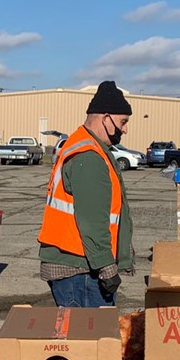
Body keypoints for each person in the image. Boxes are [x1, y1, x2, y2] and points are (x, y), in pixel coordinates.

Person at [38, 80, 133, 308]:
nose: (126, 129)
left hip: (79, 266)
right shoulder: (89, 157)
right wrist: (107, 269)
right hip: (81, 271)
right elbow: (92, 221)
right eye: (123, 122)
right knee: (89, 340)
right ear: (105, 117)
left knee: (81, 339)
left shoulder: (85, 146)